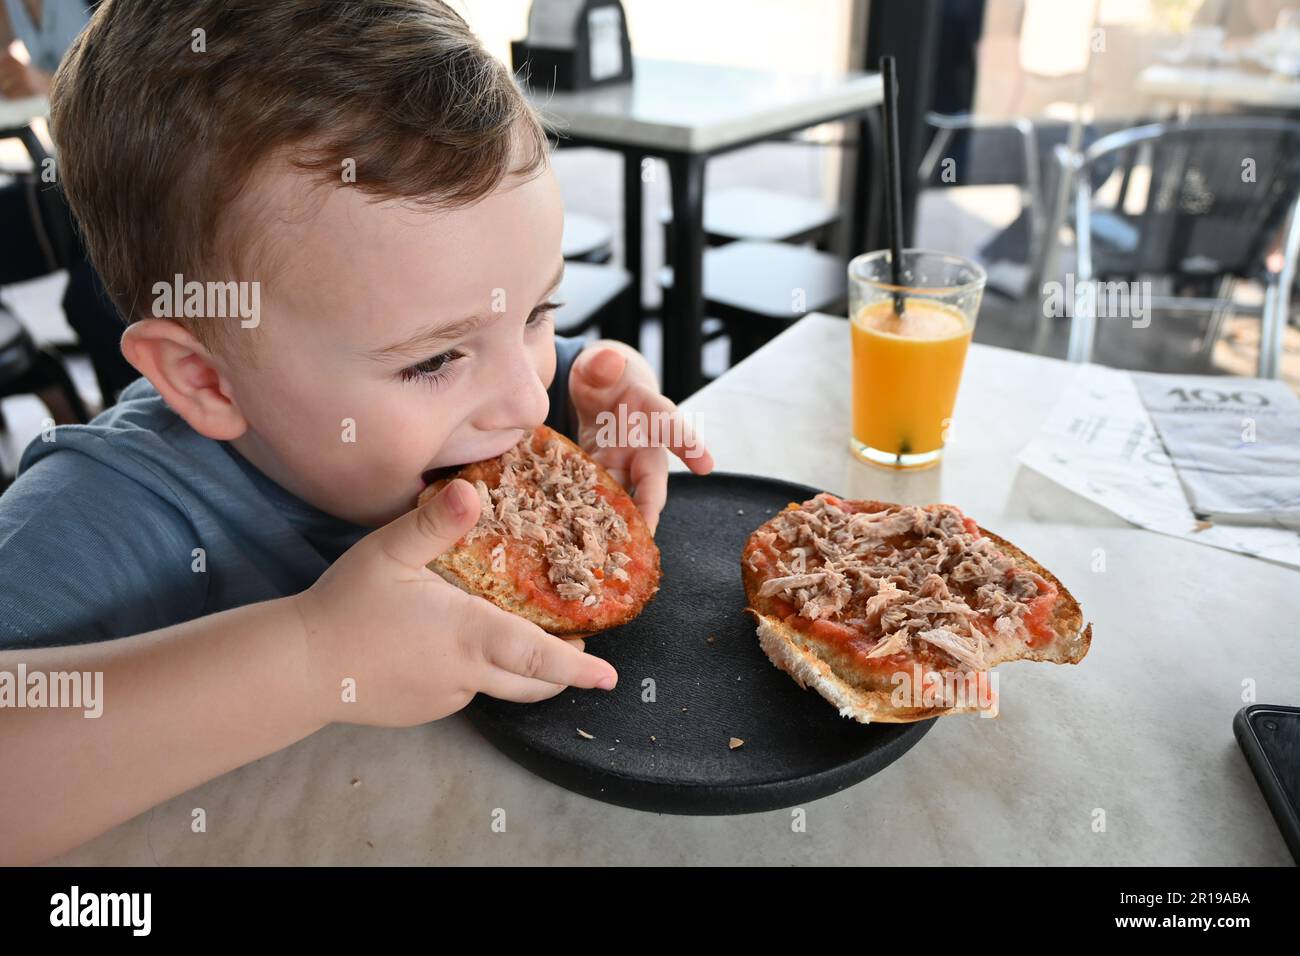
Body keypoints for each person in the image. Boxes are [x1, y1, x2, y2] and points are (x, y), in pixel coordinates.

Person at [0, 0, 715, 865]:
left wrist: (610, 377)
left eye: (538, 309)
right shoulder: (99, 515)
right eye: (435, 360)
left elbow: (555, 368)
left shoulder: (479, 390)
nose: (528, 403)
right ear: (205, 379)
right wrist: (312, 658)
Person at [0, 0, 139, 404]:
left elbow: (142, 92)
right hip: (76, 189)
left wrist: (44, 81)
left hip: (130, 191)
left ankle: (136, 414)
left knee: (89, 300)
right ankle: (42, 383)